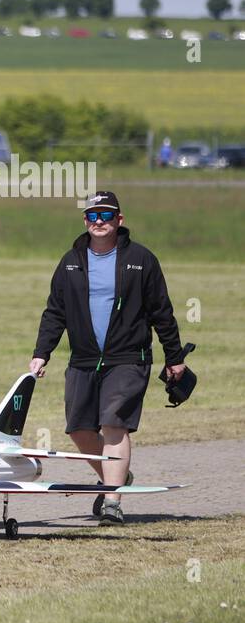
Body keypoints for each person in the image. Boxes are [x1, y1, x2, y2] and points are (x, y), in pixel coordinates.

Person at [29, 192, 185, 525]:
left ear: (119, 220)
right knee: (80, 430)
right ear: (85, 221)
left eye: (106, 215)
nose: (99, 222)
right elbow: (54, 312)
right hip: (83, 359)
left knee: (114, 423)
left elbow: (162, 312)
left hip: (129, 356)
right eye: (93, 216)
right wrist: (42, 353)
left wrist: (175, 357)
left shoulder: (142, 260)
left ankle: (112, 500)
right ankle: (118, 477)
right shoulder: (71, 261)